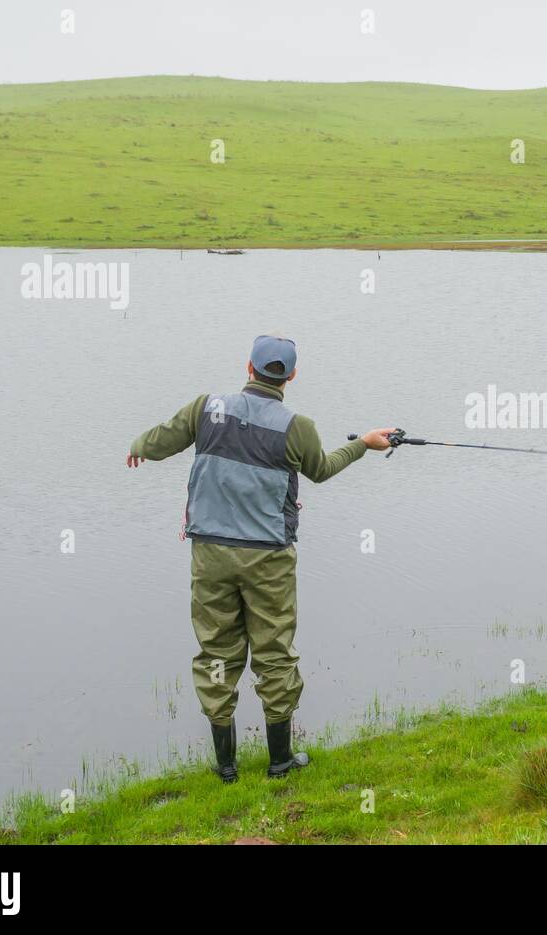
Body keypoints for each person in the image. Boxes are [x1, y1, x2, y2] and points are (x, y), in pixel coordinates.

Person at [126, 334, 394, 782]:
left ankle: (226, 767)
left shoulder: (205, 408)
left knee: (215, 650)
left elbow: (157, 441)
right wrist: (365, 443)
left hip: (210, 553)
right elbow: (322, 470)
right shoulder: (297, 427)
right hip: (268, 558)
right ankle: (279, 762)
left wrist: (137, 447)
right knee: (274, 653)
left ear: (248, 368)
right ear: (290, 376)